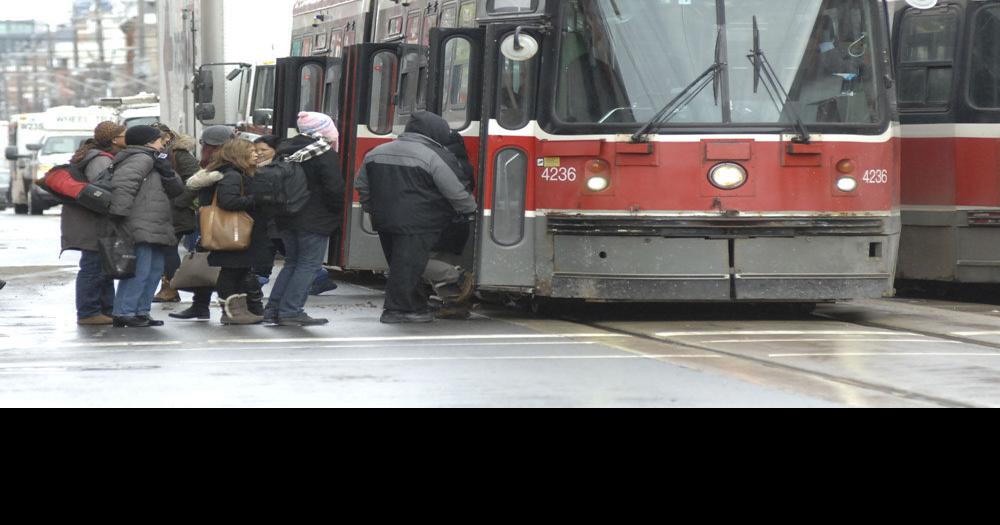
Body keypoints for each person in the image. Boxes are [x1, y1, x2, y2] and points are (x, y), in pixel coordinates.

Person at [356, 111, 477, 324]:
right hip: (420, 221)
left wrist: (372, 208)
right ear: (434, 131)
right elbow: (454, 190)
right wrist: (469, 209)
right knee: (409, 266)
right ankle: (397, 310)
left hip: (384, 221)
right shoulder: (433, 155)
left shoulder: (376, 152)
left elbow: (361, 185)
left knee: (400, 264)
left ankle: (416, 306)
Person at [264, 112, 345, 327]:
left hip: (285, 216)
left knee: (292, 262)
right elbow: (335, 189)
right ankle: (291, 311)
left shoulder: (285, 150)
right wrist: (334, 214)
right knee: (308, 265)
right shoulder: (324, 152)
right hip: (314, 218)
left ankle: (273, 309)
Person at [108, 125, 186, 328]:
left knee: (153, 270)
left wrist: (167, 171)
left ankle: (141, 310)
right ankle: (125, 311)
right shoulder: (140, 158)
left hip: (156, 223)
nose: (163, 144)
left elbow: (177, 189)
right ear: (149, 142)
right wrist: (119, 216)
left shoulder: (156, 160)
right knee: (140, 271)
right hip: (140, 223)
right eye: (160, 140)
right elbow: (123, 186)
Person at [190, 140, 270, 325]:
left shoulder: (236, 173)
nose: (256, 154)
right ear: (239, 154)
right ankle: (231, 313)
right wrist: (257, 199)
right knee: (231, 272)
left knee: (239, 272)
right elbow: (228, 202)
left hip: (237, 233)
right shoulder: (233, 175)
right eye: (251, 151)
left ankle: (238, 311)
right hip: (232, 233)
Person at [169, 125, 236, 321]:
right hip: (218, 219)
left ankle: (218, 308)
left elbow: (195, 186)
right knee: (209, 261)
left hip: (217, 220)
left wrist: (180, 203)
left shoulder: (220, 166)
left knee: (220, 264)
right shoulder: (227, 163)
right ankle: (203, 306)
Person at [63, 121, 126, 326]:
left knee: (102, 266)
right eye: (123, 134)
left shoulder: (98, 156)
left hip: (92, 221)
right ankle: (88, 312)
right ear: (114, 139)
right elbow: (101, 192)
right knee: (93, 267)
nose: (127, 137)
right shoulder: (100, 160)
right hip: (93, 222)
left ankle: (106, 309)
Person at [153, 124, 201, 304]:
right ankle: (167, 287)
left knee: (168, 249)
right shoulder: (157, 154)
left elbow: (196, 181)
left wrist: (179, 202)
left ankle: (171, 288)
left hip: (176, 212)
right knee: (163, 249)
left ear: (170, 136)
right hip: (162, 210)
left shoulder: (179, 154)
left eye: (163, 136)